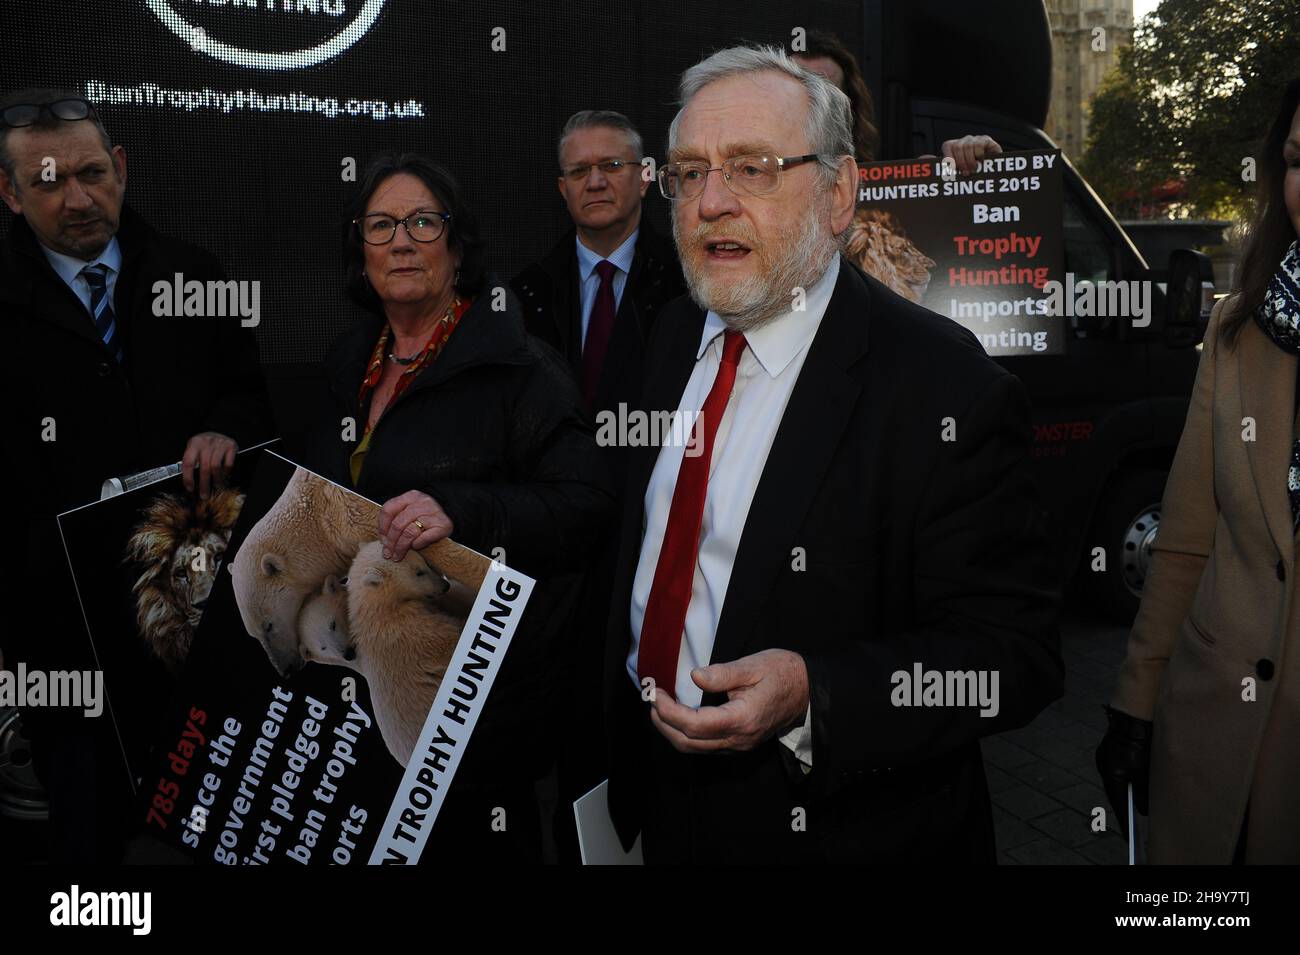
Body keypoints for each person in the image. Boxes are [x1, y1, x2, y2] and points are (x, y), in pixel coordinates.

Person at [603, 46, 1062, 864]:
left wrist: (817, 691)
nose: (711, 202)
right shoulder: (671, 334)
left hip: (846, 828)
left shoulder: (947, 386)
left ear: (840, 192)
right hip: (662, 806)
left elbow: (1013, 657)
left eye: (752, 168)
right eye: (688, 172)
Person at [303, 152, 613, 863]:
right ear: (361, 250)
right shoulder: (349, 359)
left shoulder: (520, 367)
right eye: (380, 225)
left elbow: (590, 505)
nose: (401, 241)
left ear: (457, 243)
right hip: (364, 708)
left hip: (477, 722)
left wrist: (463, 510)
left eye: (422, 221)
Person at [0, 88, 273, 863]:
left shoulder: (195, 272)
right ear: (9, 193)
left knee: (219, 834)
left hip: (202, 632)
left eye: (92, 173)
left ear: (121, 167)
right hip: (65, 654)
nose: (78, 199)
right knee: (92, 850)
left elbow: (249, 395)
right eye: (49, 182)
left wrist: (230, 428)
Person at [1097, 78, 1300, 864]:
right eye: (1295, 159)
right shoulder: (1235, 326)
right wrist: (1134, 709)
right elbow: (1184, 538)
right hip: (1211, 747)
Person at [511, 109, 687, 862]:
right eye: (580, 170)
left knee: (655, 749)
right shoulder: (524, 294)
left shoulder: (694, 280)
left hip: (660, 549)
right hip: (563, 569)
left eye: (612, 164)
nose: (596, 181)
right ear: (561, 187)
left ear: (645, 176)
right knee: (576, 753)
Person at [792, 28, 1001, 173]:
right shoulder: (760, 183)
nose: (811, 106)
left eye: (827, 96)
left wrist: (986, 165)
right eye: (795, 91)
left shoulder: (881, 187)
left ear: (849, 114)